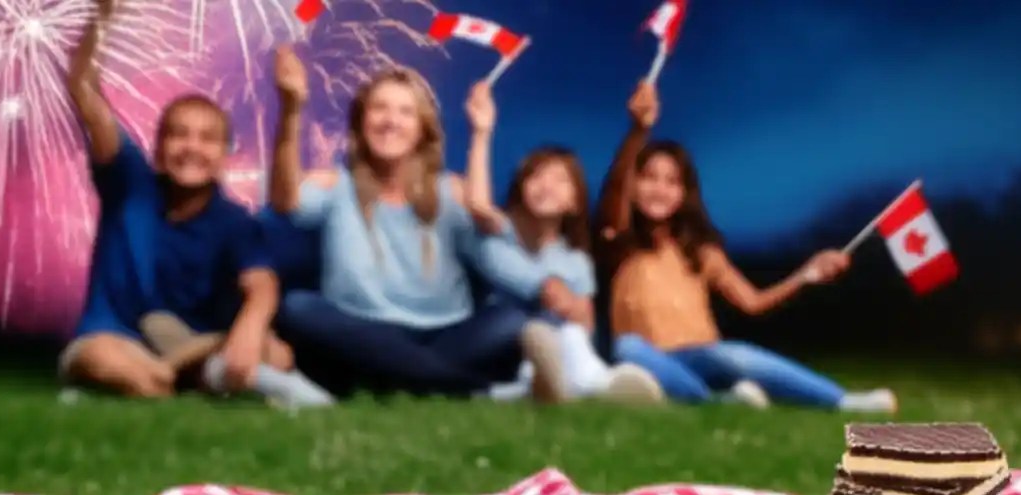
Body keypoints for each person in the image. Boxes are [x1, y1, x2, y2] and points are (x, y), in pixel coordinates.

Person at [58, 0, 331, 407]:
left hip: (190, 345)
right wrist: (103, 15)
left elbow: (262, 286)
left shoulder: (233, 220)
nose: (192, 148)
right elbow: (83, 88)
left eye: (207, 139)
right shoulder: (129, 182)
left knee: (275, 352)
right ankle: (178, 382)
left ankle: (174, 379)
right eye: (179, 135)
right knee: (108, 360)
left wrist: (247, 333)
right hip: (117, 339)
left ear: (224, 156)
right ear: (159, 148)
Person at [266, 45, 576, 402]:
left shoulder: (451, 191)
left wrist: (543, 285)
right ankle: (482, 393)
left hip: (446, 335)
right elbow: (285, 200)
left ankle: (389, 380)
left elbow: (492, 254)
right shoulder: (337, 185)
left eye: (405, 112)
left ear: (422, 131)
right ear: (361, 122)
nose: (390, 121)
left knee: (512, 320)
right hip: (360, 330)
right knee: (299, 308)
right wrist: (292, 110)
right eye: (379, 108)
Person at [594, 80, 896, 412]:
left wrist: (806, 275)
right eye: (649, 177)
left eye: (671, 181)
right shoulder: (620, 244)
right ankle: (715, 403)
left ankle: (841, 400)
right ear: (634, 186)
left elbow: (753, 303)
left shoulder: (700, 251)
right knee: (628, 347)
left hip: (704, 357)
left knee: (735, 353)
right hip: (650, 362)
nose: (659, 189)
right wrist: (638, 132)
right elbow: (613, 194)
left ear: (684, 194)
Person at [461, 81, 664, 404]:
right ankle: (594, 383)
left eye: (560, 179)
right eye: (537, 176)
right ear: (521, 187)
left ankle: (540, 387)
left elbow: (584, 323)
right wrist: (482, 132)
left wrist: (568, 306)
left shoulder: (575, 260)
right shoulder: (499, 233)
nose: (546, 186)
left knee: (568, 333)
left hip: (555, 344)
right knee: (542, 325)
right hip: (493, 342)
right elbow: (477, 207)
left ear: (574, 202)